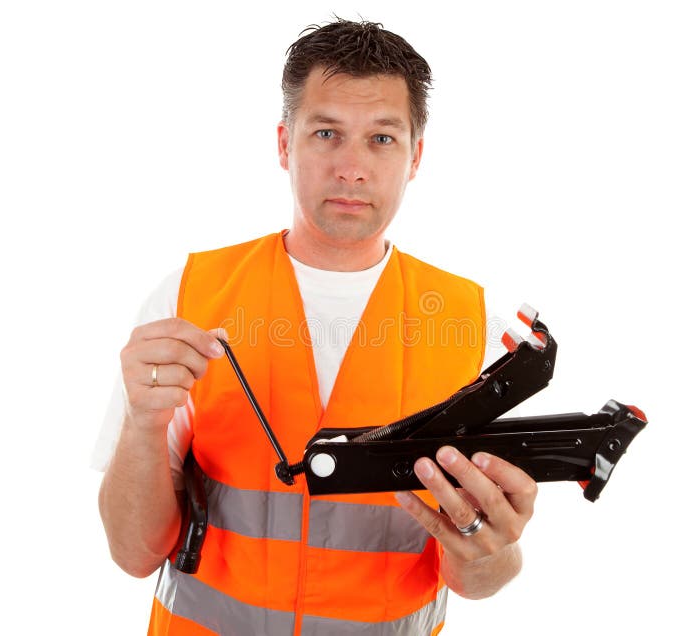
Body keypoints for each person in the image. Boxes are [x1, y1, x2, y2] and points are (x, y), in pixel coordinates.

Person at [95, 18, 537, 635]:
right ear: (284, 143)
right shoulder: (189, 298)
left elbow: (476, 579)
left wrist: (492, 547)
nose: (352, 168)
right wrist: (143, 427)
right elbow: (133, 553)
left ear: (416, 155)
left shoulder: (476, 329)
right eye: (326, 133)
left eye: (382, 139)